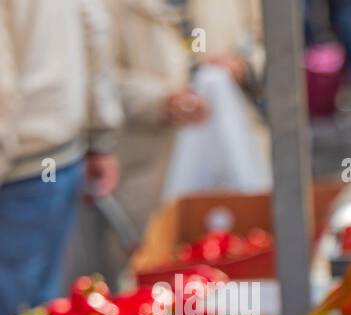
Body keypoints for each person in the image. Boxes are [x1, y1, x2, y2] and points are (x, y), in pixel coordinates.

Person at [84, 0, 266, 285]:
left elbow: (265, 44)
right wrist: (162, 100)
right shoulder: (109, 6)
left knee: (247, 271)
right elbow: (97, 76)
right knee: (157, 276)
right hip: (148, 164)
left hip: (236, 154)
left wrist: (242, 66)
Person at [0, 0, 123, 315]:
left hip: (17, 166)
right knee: (39, 314)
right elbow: (94, 26)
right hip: (56, 156)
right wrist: (100, 137)